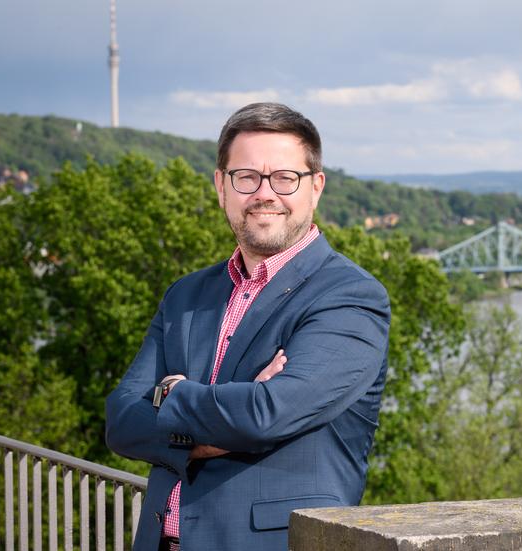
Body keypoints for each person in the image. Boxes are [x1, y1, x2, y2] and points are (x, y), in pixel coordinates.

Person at [105, 102, 391, 551]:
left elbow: (267, 414)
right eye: (247, 177)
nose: (265, 193)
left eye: (284, 178)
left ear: (315, 187)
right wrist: (228, 420)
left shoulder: (349, 297)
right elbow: (121, 421)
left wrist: (172, 395)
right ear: (222, 186)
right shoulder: (185, 296)